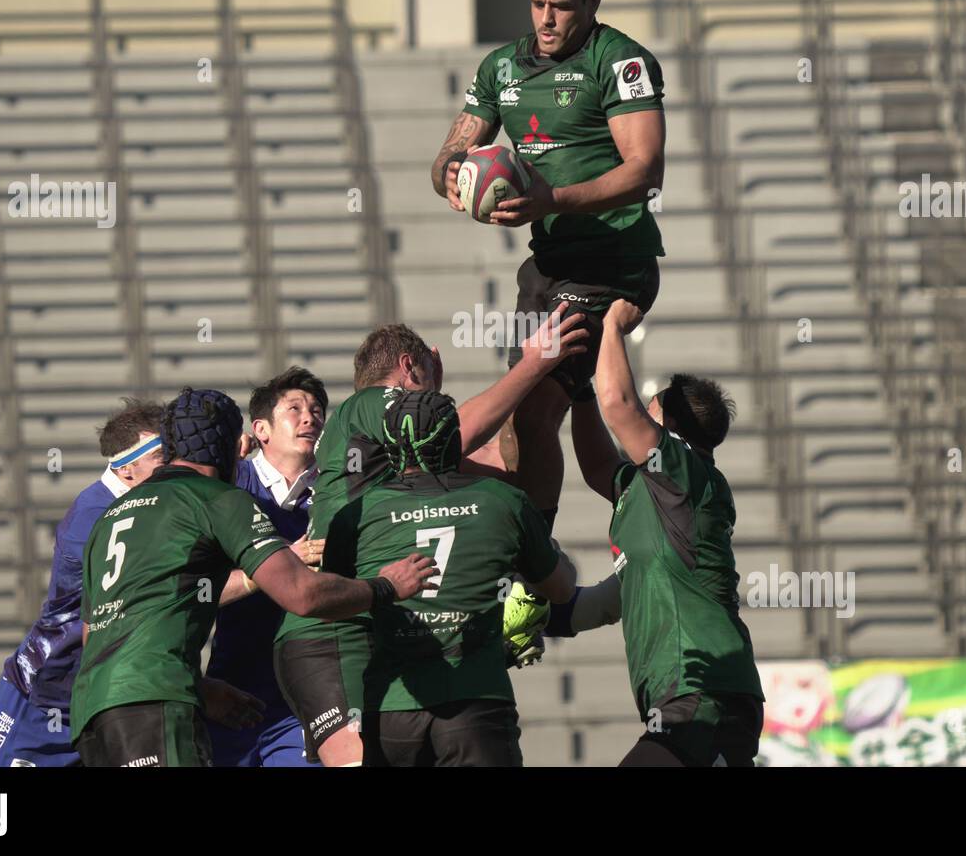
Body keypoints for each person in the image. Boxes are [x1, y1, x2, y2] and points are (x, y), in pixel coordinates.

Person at [274, 307, 586, 766]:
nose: (434, 406)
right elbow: (463, 430)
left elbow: (499, 467)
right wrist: (535, 362)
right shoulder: (369, 404)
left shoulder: (405, 461)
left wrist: (545, 405)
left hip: (380, 620)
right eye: (428, 384)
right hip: (330, 629)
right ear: (407, 368)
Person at [430, 0, 666, 530]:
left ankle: (536, 563)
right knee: (516, 415)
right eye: (537, 4)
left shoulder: (621, 62)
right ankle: (545, 551)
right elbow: (450, 154)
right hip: (548, 264)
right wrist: (453, 176)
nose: (546, 19)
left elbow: (645, 170)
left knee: (533, 410)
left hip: (611, 261)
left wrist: (551, 199)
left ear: (592, 2)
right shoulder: (501, 67)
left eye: (561, 6)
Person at [71, 388, 436, 767]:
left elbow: (94, 635)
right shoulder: (215, 498)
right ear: (227, 445)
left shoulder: (112, 516)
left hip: (91, 712)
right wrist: (386, 587)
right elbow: (301, 594)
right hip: (155, 706)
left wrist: (204, 689)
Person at [569, 299, 765, 767]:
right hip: (697, 692)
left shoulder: (681, 470)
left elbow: (617, 405)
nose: (642, 414)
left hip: (704, 689)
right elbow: (599, 466)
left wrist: (612, 324)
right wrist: (578, 389)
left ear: (671, 428)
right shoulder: (655, 487)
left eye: (651, 408)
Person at [349, 391, 576, 766]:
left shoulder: (359, 512)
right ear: (454, 439)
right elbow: (561, 588)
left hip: (391, 709)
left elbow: (338, 599)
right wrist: (547, 550)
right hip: (474, 702)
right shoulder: (502, 500)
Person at [0, 399, 164, 767]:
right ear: (127, 469)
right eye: (162, 458)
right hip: (46, 697)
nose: (174, 468)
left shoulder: (158, 504)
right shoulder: (93, 518)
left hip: (110, 700)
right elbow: (153, 597)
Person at [204, 367, 327, 767]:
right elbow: (192, 591)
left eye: (316, 409)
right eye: (295, 408)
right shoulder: (226, 489)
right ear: (261, 429)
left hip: (303, 697)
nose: (310, 417)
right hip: (229, 691)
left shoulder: (335, 495)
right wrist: (279, 566)